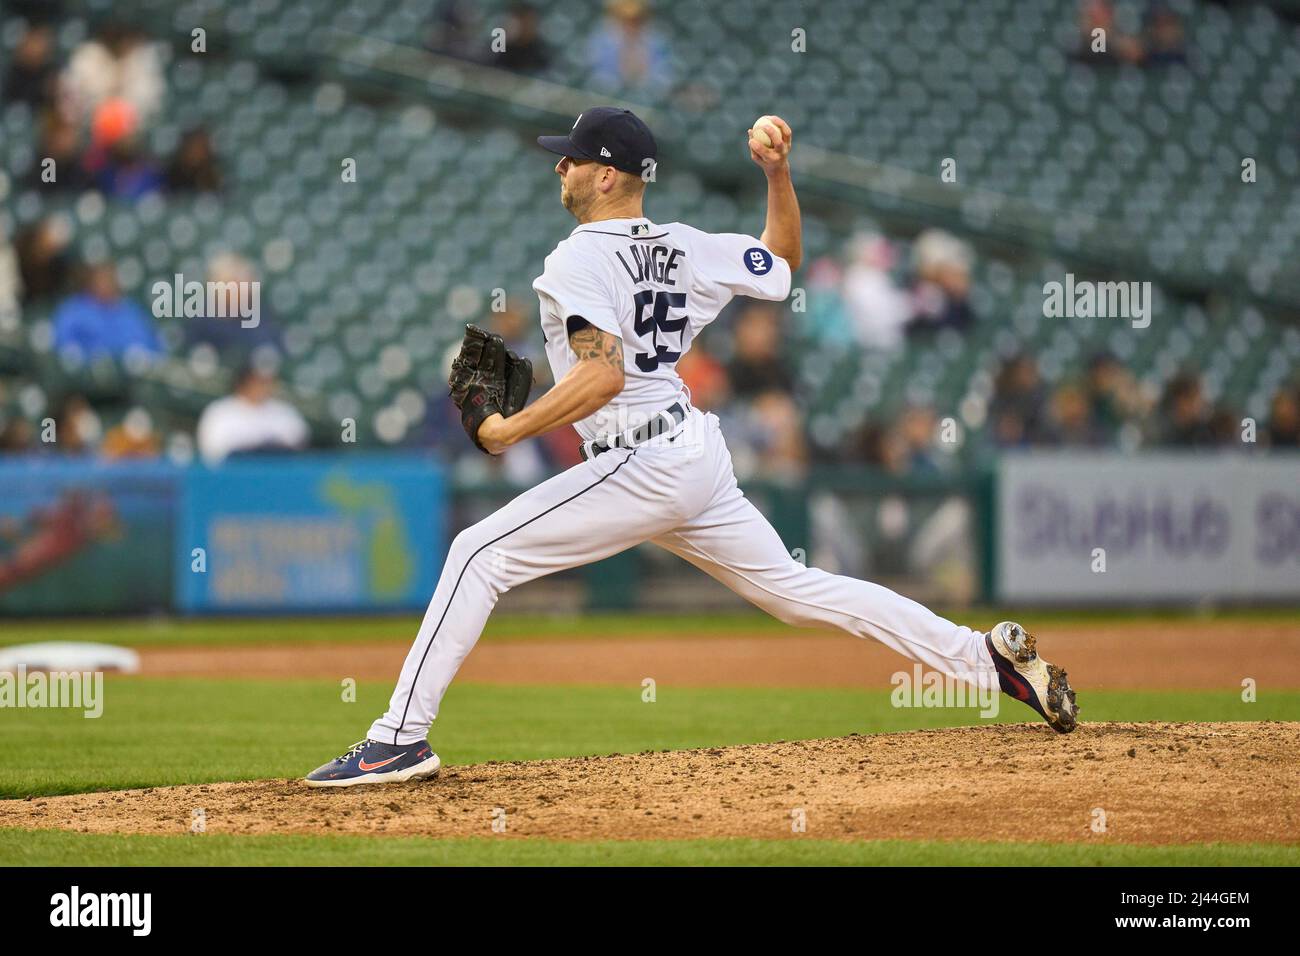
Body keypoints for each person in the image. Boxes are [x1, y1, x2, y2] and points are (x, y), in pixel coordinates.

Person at [304, 108, 1078, 788]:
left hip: (639, 456)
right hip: (689, 452)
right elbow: (780, 261)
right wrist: (777, 175)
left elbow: (602, 376)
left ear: (606, 176)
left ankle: (395, 742)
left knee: (478, 552)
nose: (561, 167)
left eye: (571, 156)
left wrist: (509, 429)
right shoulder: (688, 245)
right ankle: (986, 659)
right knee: (793, 590)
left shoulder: (576, 258)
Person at [196, 367, 309, 465]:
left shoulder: (284, 411)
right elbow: (212, 453)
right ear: (243, 383)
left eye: (265, 382)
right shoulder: (219, 411)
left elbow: (298, 444)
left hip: (276, 475)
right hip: (233, 477)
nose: (262, 387)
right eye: (256, 382)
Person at [52, 262, 161, 359]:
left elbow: (149, 346)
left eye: (110, 279)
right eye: (101, 280)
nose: (106, 284)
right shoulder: (73, 310)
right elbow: (66, 347)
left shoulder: (130, 311)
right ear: (91, 282)